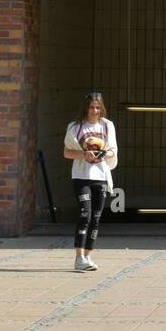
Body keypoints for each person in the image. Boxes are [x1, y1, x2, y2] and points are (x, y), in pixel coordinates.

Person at [63, 91, 118, 272]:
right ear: (86, 108)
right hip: (81, 176)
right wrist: (83, 154)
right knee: (84, 214)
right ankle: (78, 257)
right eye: (91, 107)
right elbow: (66, 152)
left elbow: (113, 152)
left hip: (100, 177)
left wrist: (104, 154)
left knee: (96, 216)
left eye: (97, 107)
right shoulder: (75, 127)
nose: (95, 111)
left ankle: (87, 256)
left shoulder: (108, 126)